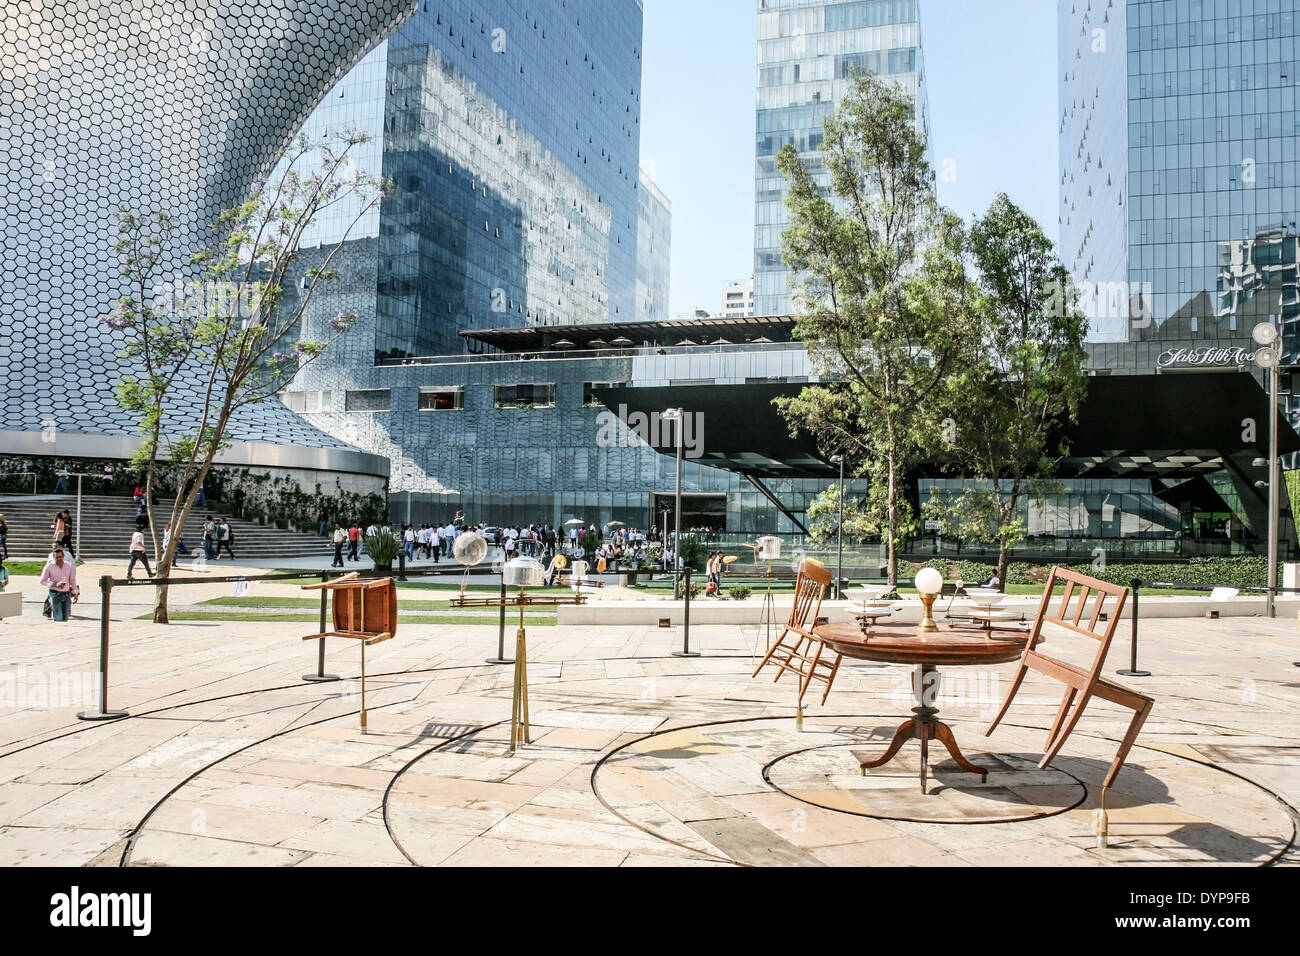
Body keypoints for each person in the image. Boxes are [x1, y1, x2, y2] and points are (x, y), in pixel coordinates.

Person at [40, 548, 79, 621]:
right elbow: (43, 580)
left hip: (66, 593)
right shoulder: (49, 566)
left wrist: (75, 592)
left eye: (60, 557)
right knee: (58, 617)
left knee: (65, 617)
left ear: (63, 556)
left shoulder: (68, 565)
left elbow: (72, 580)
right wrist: (55, 584)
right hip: (55, 594)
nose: (58, 559)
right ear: (53, 557)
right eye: (56, 557)